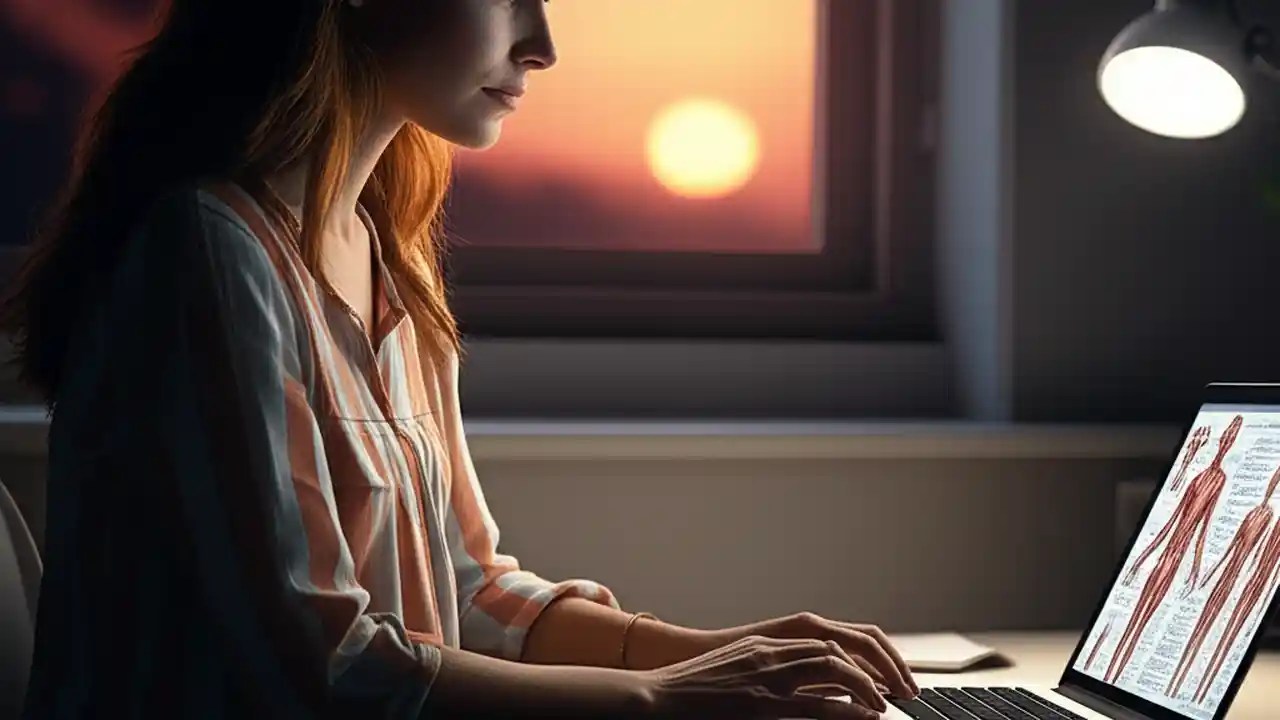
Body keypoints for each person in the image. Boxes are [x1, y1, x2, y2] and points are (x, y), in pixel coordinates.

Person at [1, 1, 920, 718]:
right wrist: (661, 701)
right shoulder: (206, 252)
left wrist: (714, 653)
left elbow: (472, 591)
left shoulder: (384, 256)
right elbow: (318, 666)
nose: (542, 46)